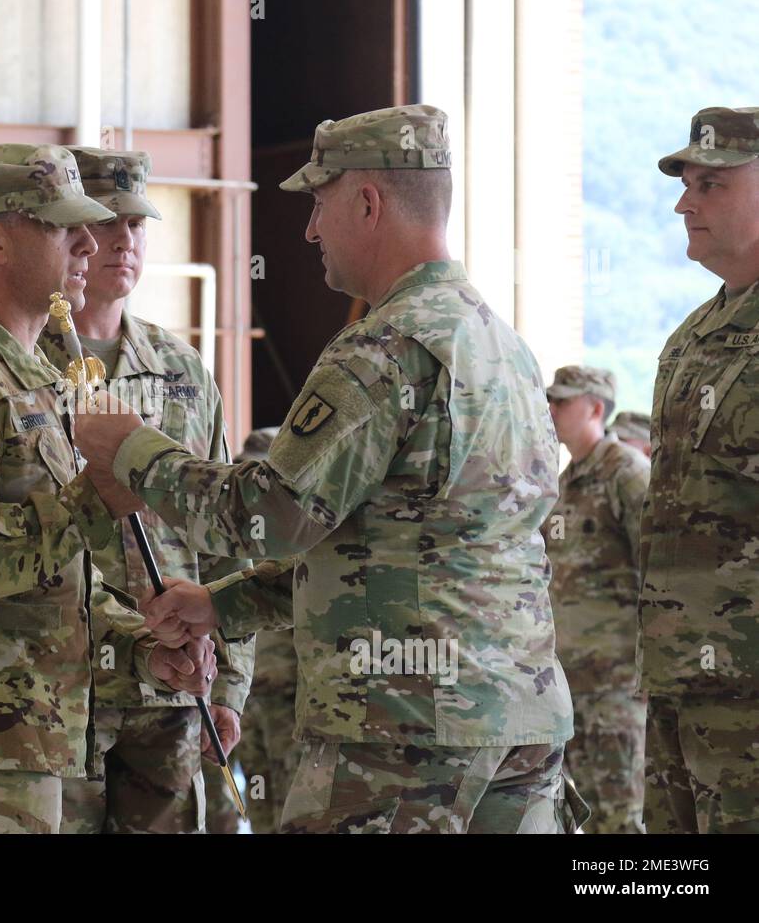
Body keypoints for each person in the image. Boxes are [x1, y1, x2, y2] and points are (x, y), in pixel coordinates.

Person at [76, 105, 579, 833]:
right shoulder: (500, 345)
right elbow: (405, 542)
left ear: (368, 203)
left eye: (320, 203)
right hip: (519, 718)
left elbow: (268, 516)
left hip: (404, 726)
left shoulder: (381, 349)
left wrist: (130, 448)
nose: (311, 229)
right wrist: (227, 606)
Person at [0, 143, 217, 833]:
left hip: (27, 744)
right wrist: (92, 501)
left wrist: (143, 645)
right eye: (62, 226)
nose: (90, 242)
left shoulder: (32, 379)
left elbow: (52, 591)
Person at [39, 146, 254, 834]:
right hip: (58, 687)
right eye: (106, 222)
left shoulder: (181, 370)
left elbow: (226, 533)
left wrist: (233, 685)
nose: (123, 242)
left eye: (136, 225)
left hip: (170, 690)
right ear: (68, 234)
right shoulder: (20, 361)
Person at [640, 106, 759, 833]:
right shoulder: (693, 336)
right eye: (686, 183)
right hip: (682, 685)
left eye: (711, 184)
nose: (685, 202)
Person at [545, 366, 650, 833]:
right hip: (572, 682)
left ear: (595, 408)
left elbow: (658, 570)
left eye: (562, 401)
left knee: (621, 813)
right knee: (581, 809)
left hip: (617, 683)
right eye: (549, 399)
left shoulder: (625, 472)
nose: (551, 409)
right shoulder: (566, 484)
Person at [220, 428, 298, 834]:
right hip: (252, 700)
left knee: (295, 808)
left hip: (292, 702)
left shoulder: (298, 534)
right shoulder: (239, 541)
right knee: (261, 805)